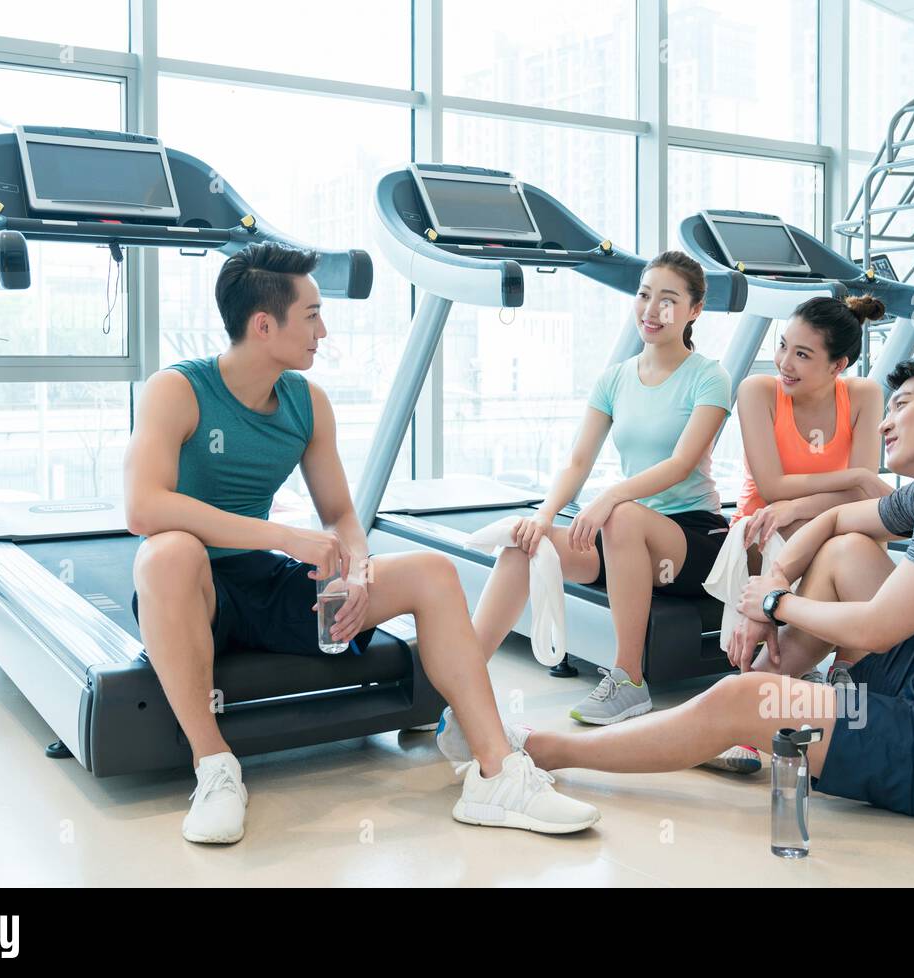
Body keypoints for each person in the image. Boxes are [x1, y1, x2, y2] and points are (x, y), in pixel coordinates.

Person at [125, 242, 599, 843]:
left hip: (265, 584)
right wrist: (286, 538)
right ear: (264, 324)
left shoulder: (307, 402)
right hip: (191, 592)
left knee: (431, 571)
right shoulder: (178, 389)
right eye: (312, 315)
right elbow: (144, 506)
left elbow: (342, 514)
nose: (323, 330)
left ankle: (496, 772)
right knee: (168, 550)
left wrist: (359, 566)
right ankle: (215, 768)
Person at [520, 353, 914, 822]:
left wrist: (772, 602)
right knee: (847, 554)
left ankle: (550, 751)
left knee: (742, 699)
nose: (886, 422)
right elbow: (840, 522)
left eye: (902, 406)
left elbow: (878, 628)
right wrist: (772, 581)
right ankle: (771, 685)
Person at [470, 251, 733, 725]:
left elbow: (680, 464)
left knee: (624, 515)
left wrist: (611, 497)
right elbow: (577, 460)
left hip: (692, 539)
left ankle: (629, 680)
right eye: (644, 295)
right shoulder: (614, 378)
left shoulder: (710, 377)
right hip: (623, 538)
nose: (651, 310)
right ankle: (460, 679)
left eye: (668, 300)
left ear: (695, 310)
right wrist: (544, 517)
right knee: (520, 545)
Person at [704, 294, 889, 775]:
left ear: (838, 365)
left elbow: (864, 495)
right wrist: (846, 482)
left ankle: (847, 671)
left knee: (855, 540)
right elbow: (772, 488)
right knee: (821, 532)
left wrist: (807, 501)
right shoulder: (758, 391)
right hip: (763, 525)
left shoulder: (865, 395)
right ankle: (762, 685)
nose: (785, 363)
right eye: (783, 346)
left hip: (826, 522)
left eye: (803, 355)